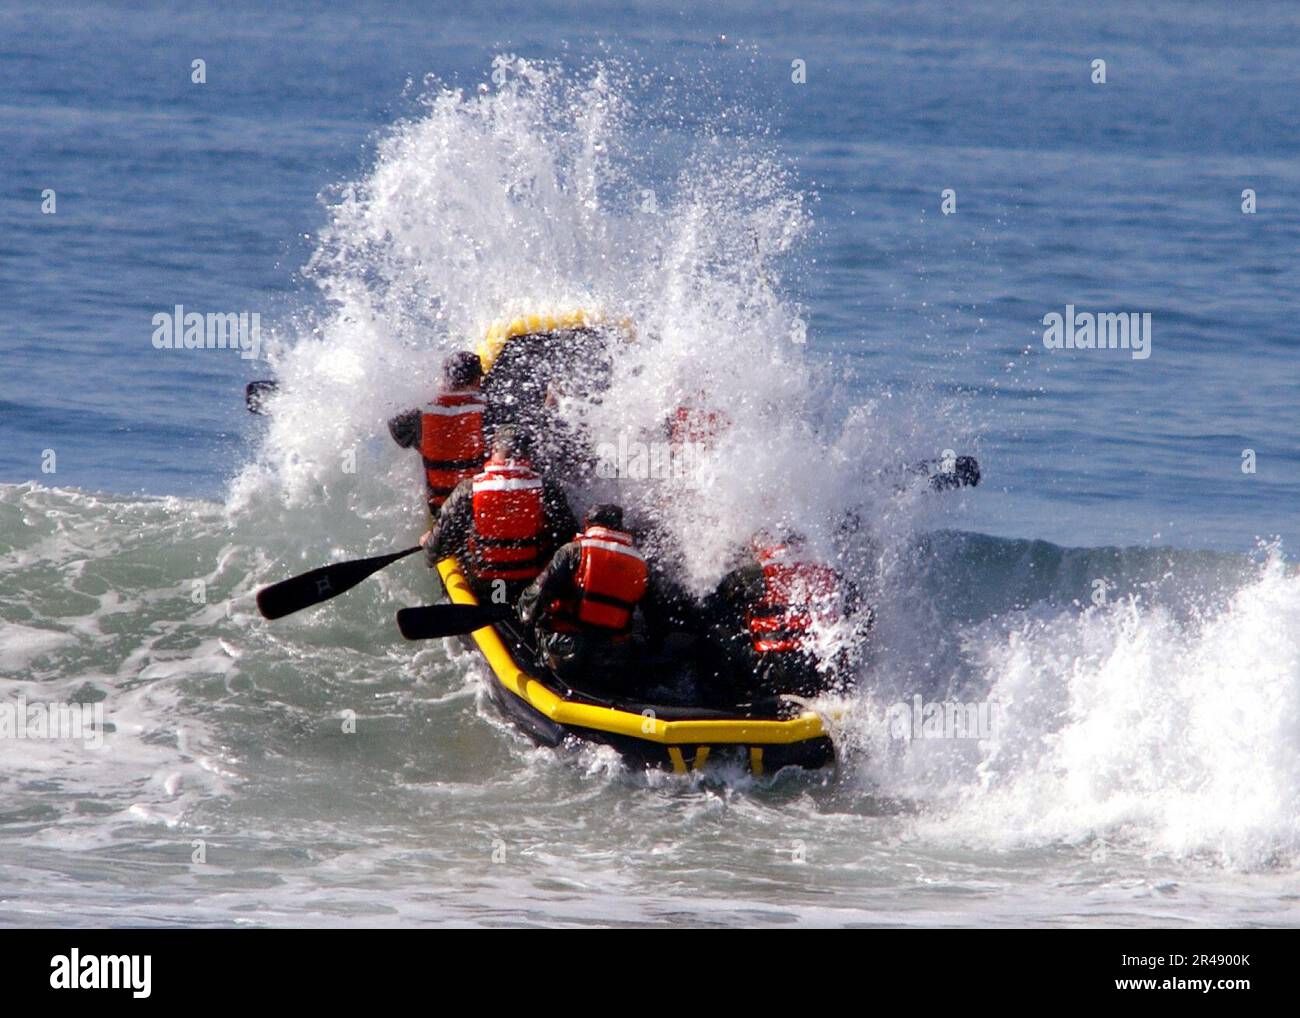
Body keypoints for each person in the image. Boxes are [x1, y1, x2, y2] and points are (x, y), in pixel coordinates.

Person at [420, 426, 576, 603]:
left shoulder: (469, 489)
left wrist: (429, 542)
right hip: (530, 586)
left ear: (494, 449)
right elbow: (567, 538)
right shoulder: (547, 488)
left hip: (488, 585)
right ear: (527, 454)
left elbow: (435, 552)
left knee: (464, 545)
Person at [706, 533, 865, 699]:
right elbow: (864, 617)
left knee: (712, 630)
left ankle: (725, 700)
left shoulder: (751, 575)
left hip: (774, 678)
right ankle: (843, 689)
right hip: (824, 675)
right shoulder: (832, 574)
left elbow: (709, 610)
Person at [517, 504, 652, 680]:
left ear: (589, 525)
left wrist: (521, 613)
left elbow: (537, 595)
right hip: (612, 660)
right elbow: (654, 617)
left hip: (566, 654)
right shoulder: (641, 564)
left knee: (538, 618)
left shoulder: (573, 550)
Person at [388, 351, 488, 514]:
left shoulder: (423, 411)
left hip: (439, 509)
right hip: (474, 507)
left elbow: (396, 427)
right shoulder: (486, 410)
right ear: (477, 380)